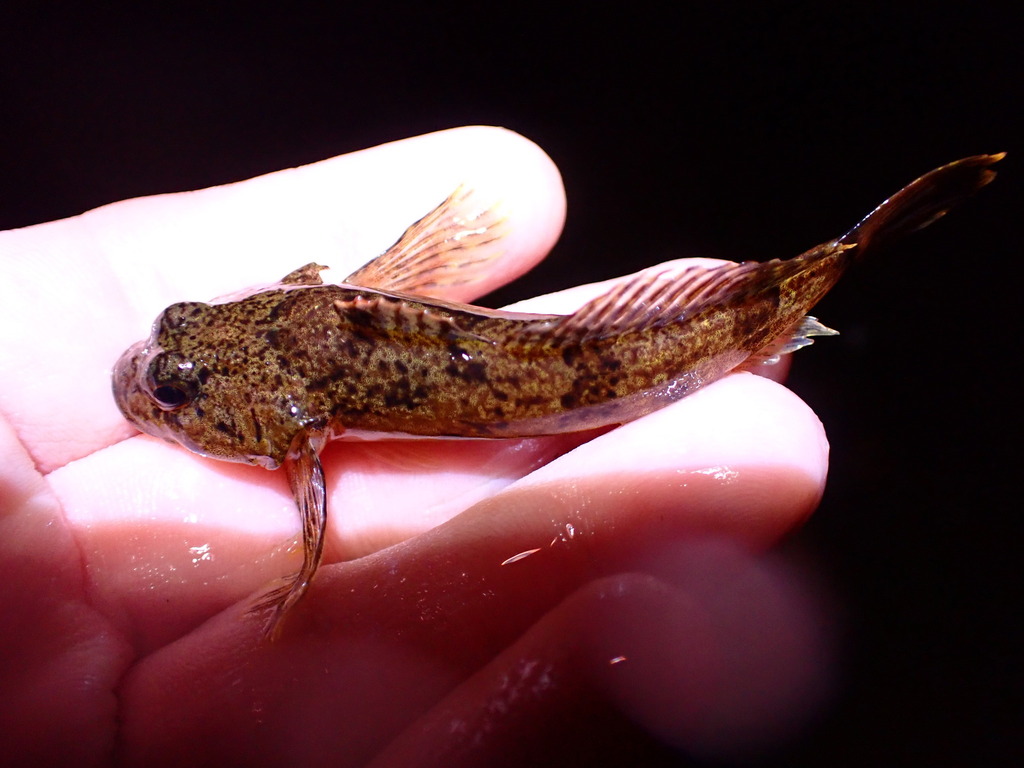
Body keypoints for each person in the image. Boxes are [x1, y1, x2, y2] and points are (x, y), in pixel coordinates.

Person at [0, 126, 833, 767]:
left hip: (596, 366)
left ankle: (797, 293)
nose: (144, 381)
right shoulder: (325, 304)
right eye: (172, 369)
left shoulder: (298, 411)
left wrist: (298, 585)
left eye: (173, 390)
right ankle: (802, 286)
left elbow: (308, 541)